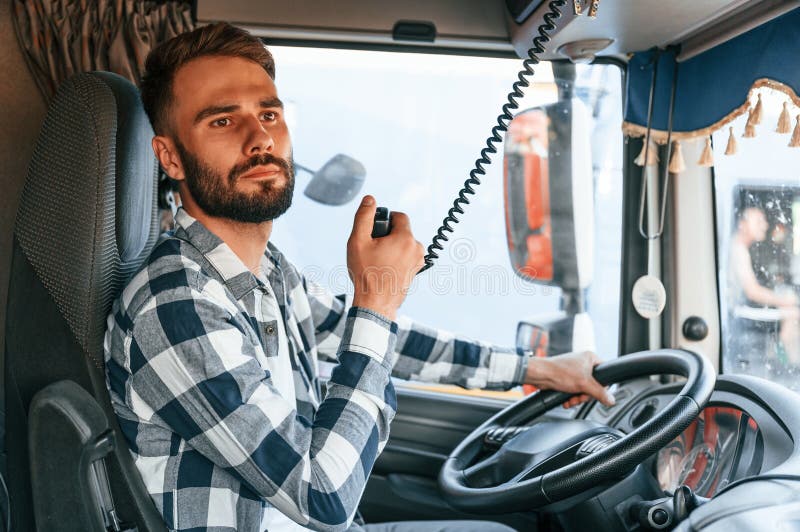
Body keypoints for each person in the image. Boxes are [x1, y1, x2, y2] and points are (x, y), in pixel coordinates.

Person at [104, 22, 615, 532]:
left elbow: (386, 340)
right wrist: (377, 301)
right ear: (171, 158)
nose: (260, 138)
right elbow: (323, 497)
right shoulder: (175, 305)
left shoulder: (267, 272)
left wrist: (540, 370)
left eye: (269, 114)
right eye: (222, 120)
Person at [728, 206, 800, 365]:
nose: (765, 225)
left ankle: (783, 359)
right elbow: (753, 292)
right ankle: (790, 366)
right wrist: (786, 301)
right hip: (739, 313)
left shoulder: (739, 247)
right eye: (759, 221)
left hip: (741, 309)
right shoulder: (738, 249)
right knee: (793, 314)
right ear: (742, 225)